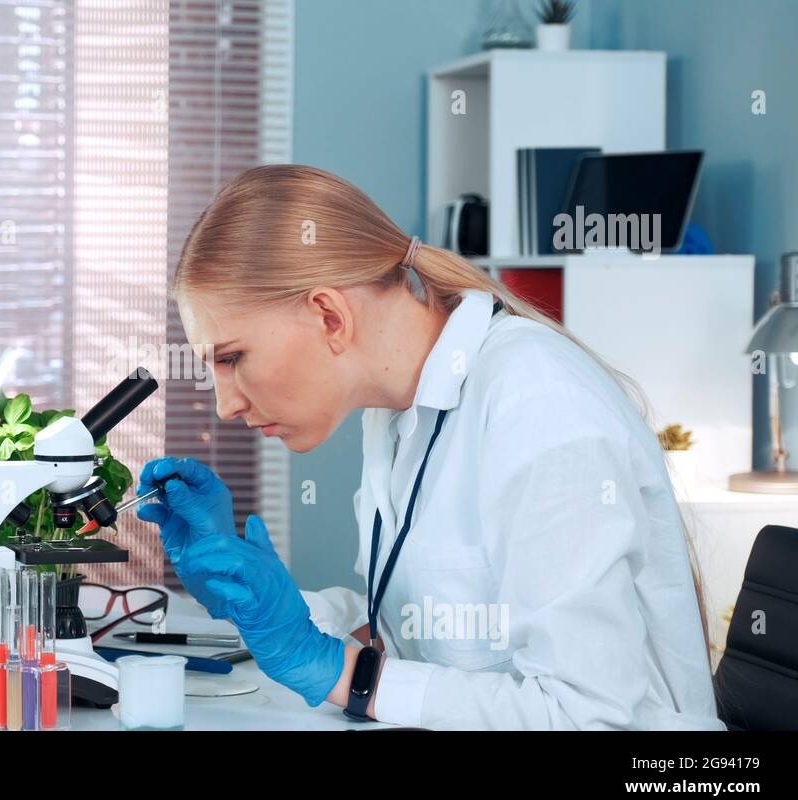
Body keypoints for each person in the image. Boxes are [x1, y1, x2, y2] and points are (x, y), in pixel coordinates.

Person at [136, 164, 722, 730]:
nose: (225, 405)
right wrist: (261, 607)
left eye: (232, 358)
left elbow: (591, 716)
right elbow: (424, 639)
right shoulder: (394, 415)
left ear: (329, 316)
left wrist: (326, 664)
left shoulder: (538, 400)